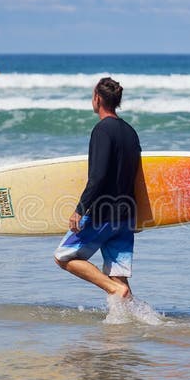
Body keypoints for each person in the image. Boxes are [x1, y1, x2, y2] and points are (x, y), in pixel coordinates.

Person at [55, 77, 142, 301]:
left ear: (98, 98)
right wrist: (139, 215)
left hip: (103, 213)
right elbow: (137, 176)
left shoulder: (102, 130)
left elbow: (98, 175)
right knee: (118, 274)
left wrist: (80, 209)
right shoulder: (130, 132)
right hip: (125, 215)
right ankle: (129, 325)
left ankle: (114, 291)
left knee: (63, 257)